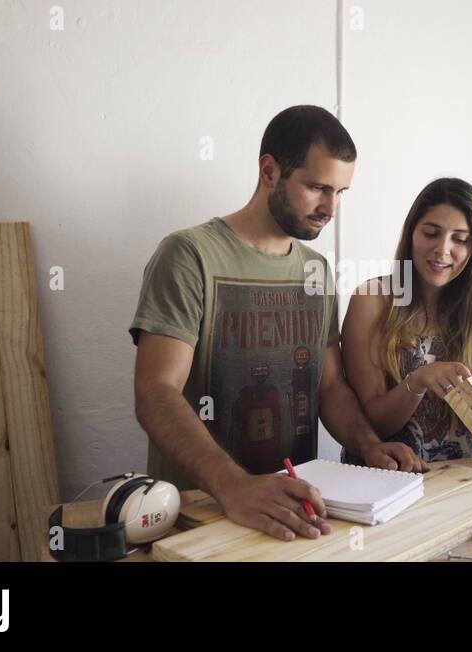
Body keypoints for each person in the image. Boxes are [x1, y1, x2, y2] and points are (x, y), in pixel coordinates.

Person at [129, 106, 427, 542]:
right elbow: (155, 392)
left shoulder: (316, 270)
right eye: (317, 188)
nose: (331, 208)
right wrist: (233, 485)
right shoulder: (189, 255)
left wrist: (367, 445)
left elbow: (329, 386)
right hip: (201, 515)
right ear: (269, 171)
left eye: (341, 192)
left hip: (292, 513)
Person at [340, 178, 472, 462]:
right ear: (411, 234)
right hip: (389, 479)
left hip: (464, 478)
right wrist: (417, 381)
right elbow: (374, 423)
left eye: (459, 239)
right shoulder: (372, 299)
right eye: (431, 233)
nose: (442, 250)